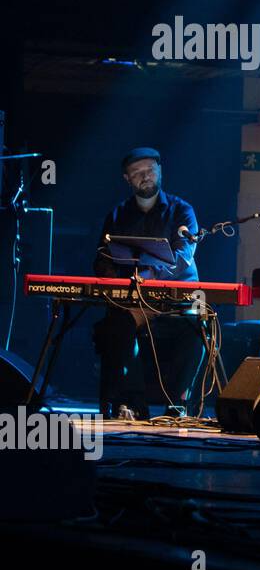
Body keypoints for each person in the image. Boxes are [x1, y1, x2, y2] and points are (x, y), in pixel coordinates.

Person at [92, 148, 202, 420]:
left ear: (160, 171)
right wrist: (119, 282)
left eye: (150, 170)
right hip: (133, 303)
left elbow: (184, 257)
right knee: (117, 325)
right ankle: (131, 404)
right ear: (127, 178)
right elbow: (102, 259)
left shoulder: (181, 211)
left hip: (176, 303)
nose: (146, 177)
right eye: (138, 172)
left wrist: (149, 280)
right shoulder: (117, 215)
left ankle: (177, 407)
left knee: (197, 332)